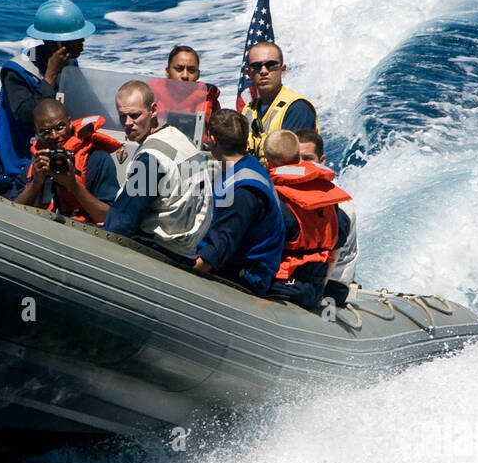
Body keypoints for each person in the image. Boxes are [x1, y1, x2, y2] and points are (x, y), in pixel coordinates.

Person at [0, 0, 94, 198]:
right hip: (18, 173)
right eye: (76, 39)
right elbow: (26, 116)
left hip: (54, 166)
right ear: (56, 43)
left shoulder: (70, 67)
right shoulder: (17, 71)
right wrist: (50, 77)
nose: (82, 43)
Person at [103, 80, 212, 259]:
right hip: (187, 249)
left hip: (159, 250)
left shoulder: (152, 158)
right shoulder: (181, 140)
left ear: (153, 110)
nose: (128, 123)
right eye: (122, 116)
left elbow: (121, 223)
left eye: (135, 115)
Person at [193, 110, 285, 295]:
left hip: (244, 277)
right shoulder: (242, 167)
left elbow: (219, 249)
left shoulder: (244, 191)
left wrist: (184, 276)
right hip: (226, 260)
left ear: (212, 140)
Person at [263, 129, 351, 310]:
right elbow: (335, 249)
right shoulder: (332, 201)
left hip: (277, 287)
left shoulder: (273, 198)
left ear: (267, 163)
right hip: (312, 290)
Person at [13, 98, 121, 225]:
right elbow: (10, 213)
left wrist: (73, 185)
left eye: (60, 127)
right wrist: (36, 183)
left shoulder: (97, 160)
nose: (54, 136)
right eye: (45, 132)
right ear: (37, 133)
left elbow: (110, 220)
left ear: (69, 123)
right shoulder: (35, 166)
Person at [298, 128, 358, 306]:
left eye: (308, 159)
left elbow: (331, 256)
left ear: (322, 161)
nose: (301, 166)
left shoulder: (340, 208)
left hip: (330, 286)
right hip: (304, 276)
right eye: (296, 159)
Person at [242, 41, 318, 160]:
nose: (263, 71)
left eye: (271, 65)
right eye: (256, 66)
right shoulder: (248, 110)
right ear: (248, 73)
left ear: (282, 69)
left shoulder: (297, 108)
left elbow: (293, 162)